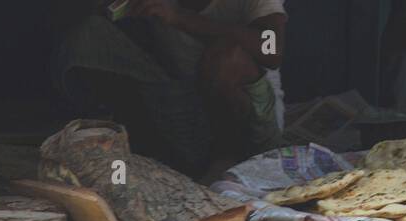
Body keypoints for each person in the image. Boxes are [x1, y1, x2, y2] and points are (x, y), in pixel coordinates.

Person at [52, 0, 288, 177]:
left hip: (248, 130)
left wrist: (181, 18)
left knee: (228, 57)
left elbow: (272, 50)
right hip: (185, 118)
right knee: (90, 36)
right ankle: (113, 147)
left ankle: (225, 158)